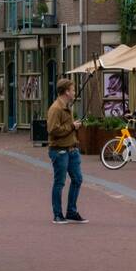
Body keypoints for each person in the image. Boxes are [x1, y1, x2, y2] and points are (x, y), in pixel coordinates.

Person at [45, 78, 86, 224]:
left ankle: (71, 211)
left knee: (77, 179)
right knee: (59, 182)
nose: (75, 92)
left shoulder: (67, 107)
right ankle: (57, 214)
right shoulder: (56, 108)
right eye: (73, 90)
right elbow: (52, 130)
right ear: (67, 92)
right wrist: (72, 127)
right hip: (60, 151)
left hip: (71, 149)